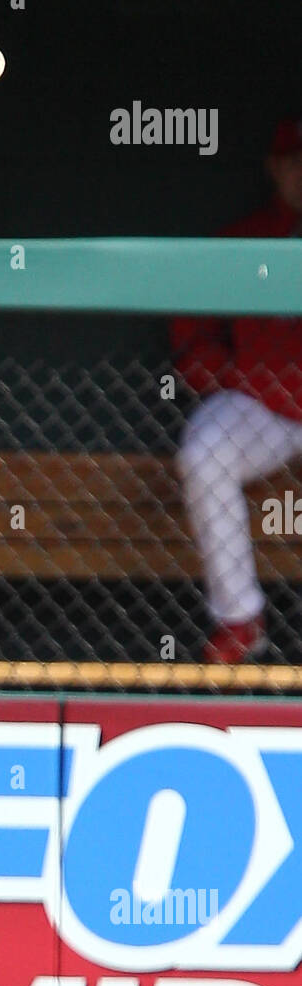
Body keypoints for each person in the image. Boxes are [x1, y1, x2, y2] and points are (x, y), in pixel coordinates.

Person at [172, 117, 302, 663]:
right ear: (275, 168)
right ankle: (240, 619)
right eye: (297, 162)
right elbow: (190, 337)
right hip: (265, 408)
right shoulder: (243, 240)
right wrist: (236, 379)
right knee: (204, 453)